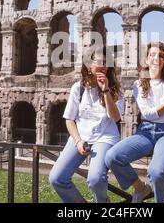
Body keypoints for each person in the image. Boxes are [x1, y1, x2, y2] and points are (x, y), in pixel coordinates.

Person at [105, 42, 164, 203]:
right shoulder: (138, 84)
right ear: (147, 58)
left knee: (157, 171)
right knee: (112, 156)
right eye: (153, 55)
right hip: (146, 131)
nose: (157, 58)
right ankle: (141, 188)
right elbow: (148, 114)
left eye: (162, 56)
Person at [49, 46, 124, 203]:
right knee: (57, 178)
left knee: (95, 179)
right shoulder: (78, 88)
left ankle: (103, 203)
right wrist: (77, 141)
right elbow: (69, 119)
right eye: (99, 62)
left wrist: (105, 91)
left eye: (106, 62)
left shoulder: (115, 88)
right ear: (88, 65)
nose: (103, 65)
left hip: (105, 138)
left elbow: (116, 117)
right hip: (81, 136)